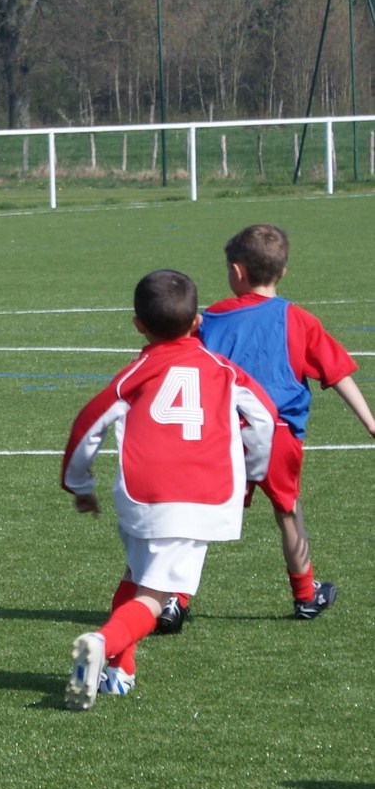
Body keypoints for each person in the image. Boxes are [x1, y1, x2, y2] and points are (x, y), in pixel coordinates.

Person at [60, 269, 276, 711]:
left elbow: (88, 426)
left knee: (138, 575)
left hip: (140, 495)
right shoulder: (223, 370)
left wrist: (80, 484)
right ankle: (103, 643)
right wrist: (253, 471)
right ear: (198, 321)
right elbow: (265, 422)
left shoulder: (133, 373)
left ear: (137, 323)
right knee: (157, 598)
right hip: (198, 497)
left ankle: (121, 670)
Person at [160, 222, 375, 628]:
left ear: (237, 272)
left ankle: (174, 598)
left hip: (224, 436)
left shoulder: (210, 320)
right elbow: (338, 373)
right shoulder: (298, 320)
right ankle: (306, 596)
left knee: (200, 518)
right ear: (282, 273)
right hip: (277, 437)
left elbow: (185, 367)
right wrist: (370, 422)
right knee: (289, 513)